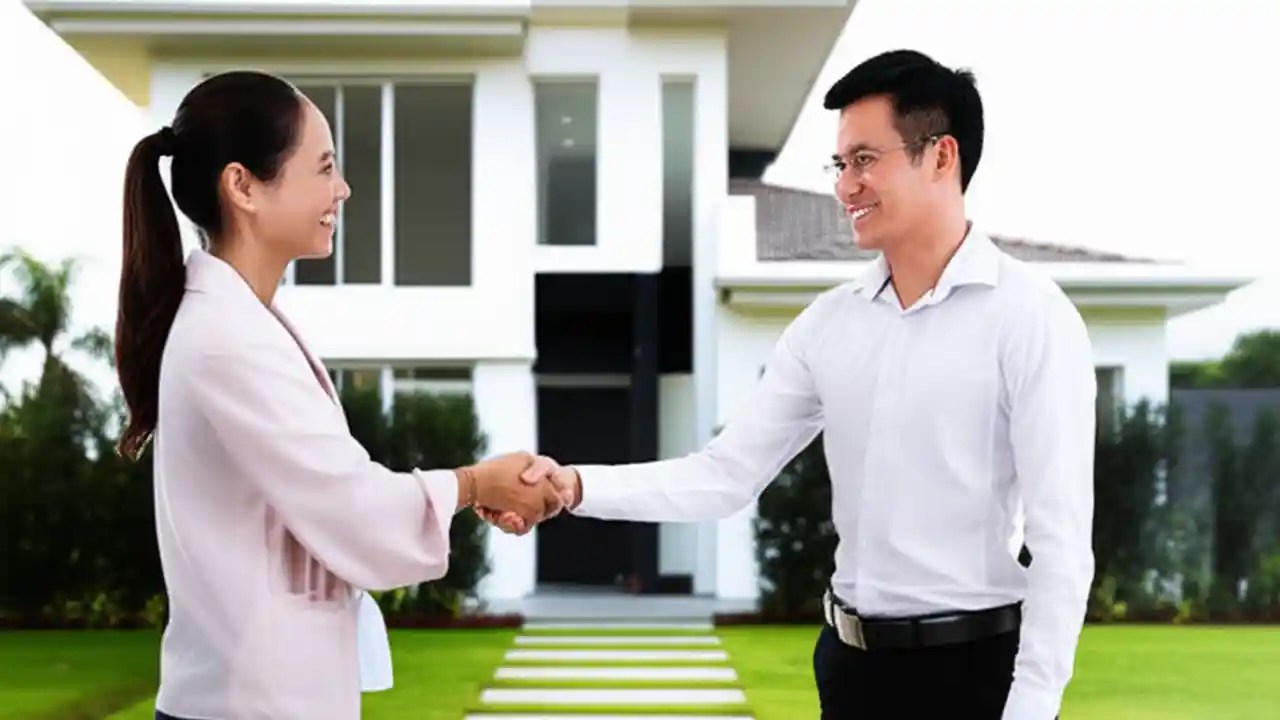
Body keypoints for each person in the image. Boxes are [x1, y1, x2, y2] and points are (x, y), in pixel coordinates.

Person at [484, 49, 1095, 719]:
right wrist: (574, 486)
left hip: (974, 677)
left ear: (941, 156)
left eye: (865, 159)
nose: (845, 186)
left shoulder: (1031, 317)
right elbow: (725, 474)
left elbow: (1061, 542)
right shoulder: (829, 325)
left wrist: (1031, 707)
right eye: (840, 164)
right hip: (851, 671)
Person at [115, 70, 568, 720]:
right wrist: (474, 485)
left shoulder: (238, 323)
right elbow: (355, 510)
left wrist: (477, 489)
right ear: (243, 185)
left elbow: (329, 505)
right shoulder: (226, 340)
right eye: (323, 168)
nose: (342, 189)